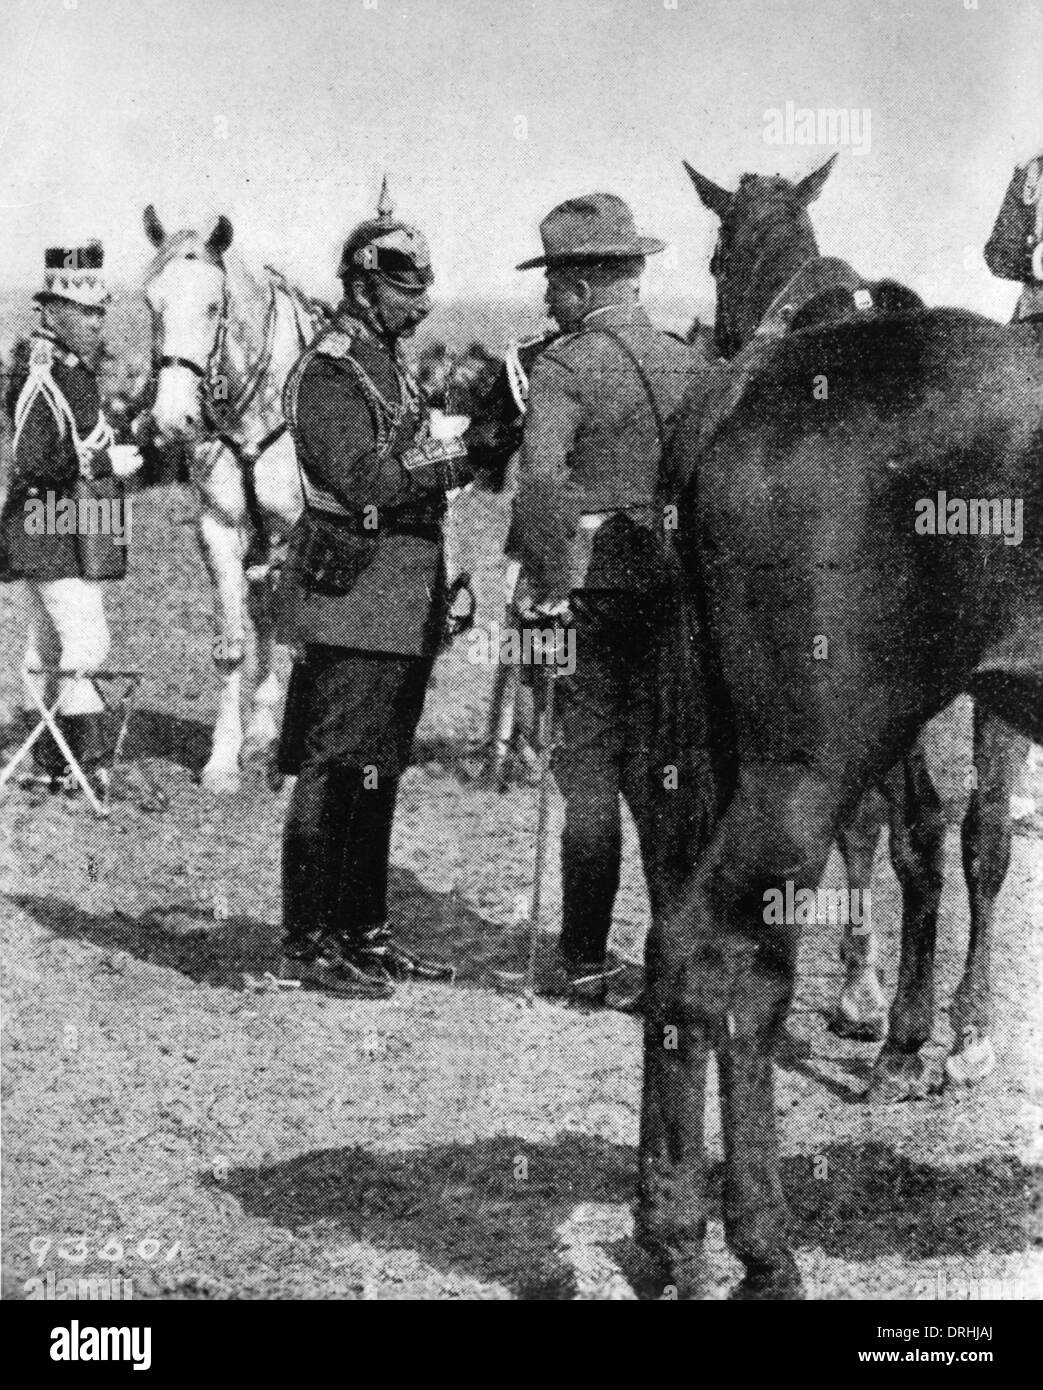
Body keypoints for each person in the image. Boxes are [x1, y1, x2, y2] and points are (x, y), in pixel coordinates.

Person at [275, 184, 501, 999]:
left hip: (401, 597)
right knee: (334, 770)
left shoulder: (386, 364)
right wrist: (464, 453)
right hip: (352, 597)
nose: (422, 303)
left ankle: (361, 932)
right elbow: (365, 480)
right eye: (407, 290)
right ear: (363, 287)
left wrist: (472, 443)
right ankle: (308, 944)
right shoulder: (330, 372)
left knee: (378, 771)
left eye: (424, 288)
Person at [511, 193, 702, 1007]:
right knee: (664, 780)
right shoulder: (691, 364)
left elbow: (542, 481)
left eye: (553, 283)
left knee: (585, 782)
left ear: (584, 287)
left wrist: (547, 589)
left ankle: (585, 960)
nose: (547, 300)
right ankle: (674, 958)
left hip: (583, 596)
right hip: (673, 598)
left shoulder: (561, 365)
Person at [0, 242, 127, 796]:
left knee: (49, 645)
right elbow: (31, 458)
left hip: (70, 522)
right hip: (46, 524)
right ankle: (80, 761)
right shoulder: (43, 367)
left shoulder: (75, 369)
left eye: (100, 312)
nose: (96, 323)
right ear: (51, 313)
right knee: (86, 639)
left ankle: (54, 759)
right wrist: (102, 460)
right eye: (84, 312)